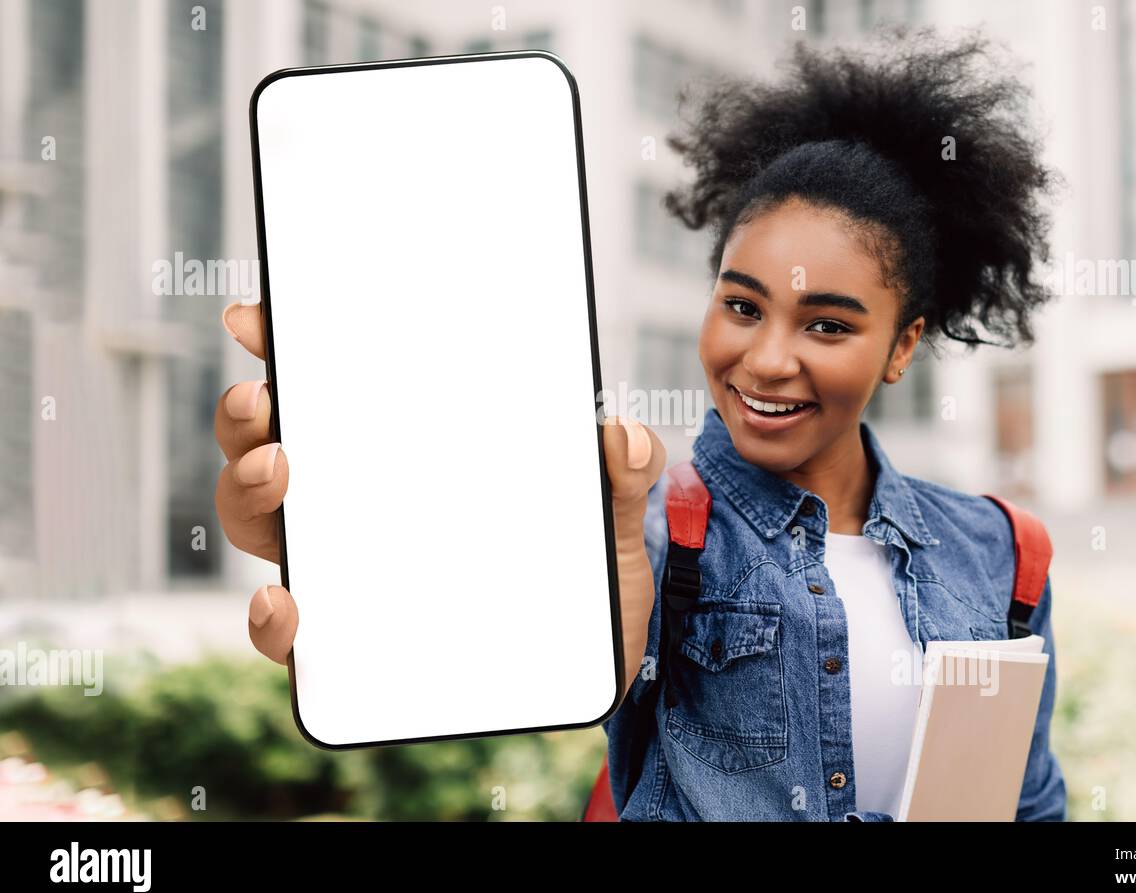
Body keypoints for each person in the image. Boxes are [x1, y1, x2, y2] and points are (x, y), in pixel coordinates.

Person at [214, 27, 1066, 822]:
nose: (767, 359)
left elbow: (1030, 806)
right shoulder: (646, 524)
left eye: (828, 325)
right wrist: (380, 581)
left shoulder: (1001, 553)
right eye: (741, 305)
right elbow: (542, 626)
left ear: (902, 345)